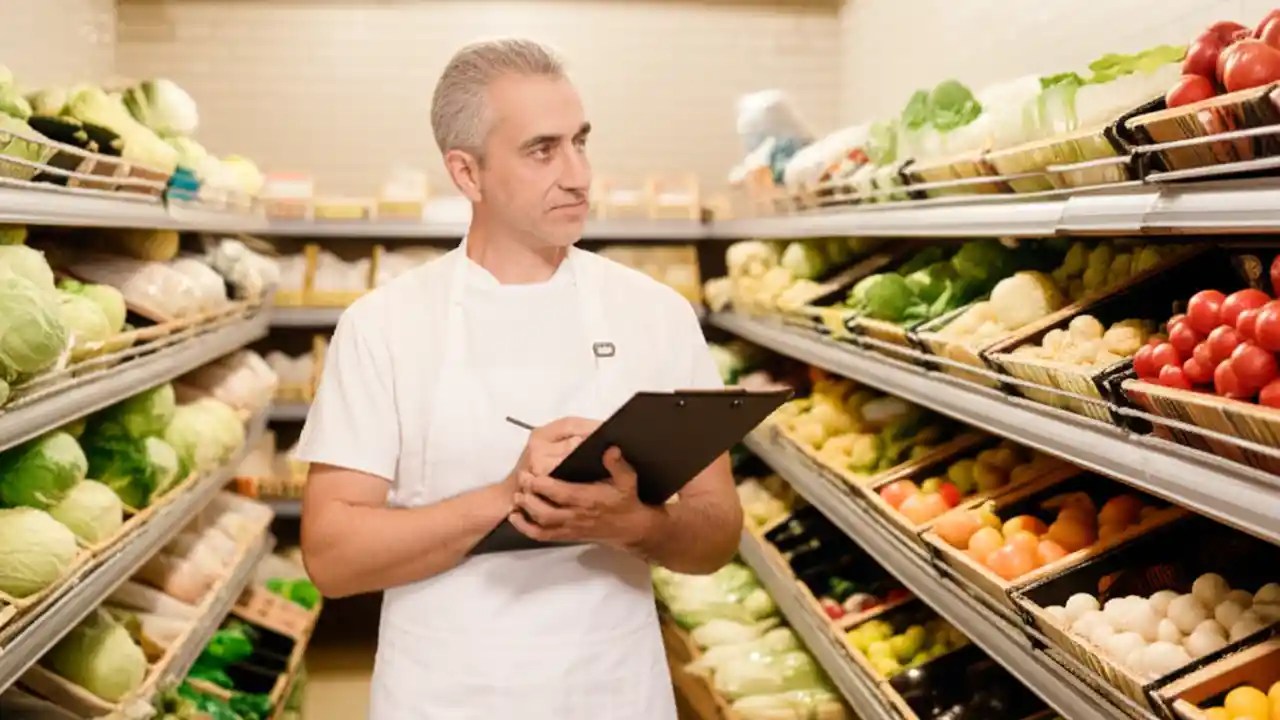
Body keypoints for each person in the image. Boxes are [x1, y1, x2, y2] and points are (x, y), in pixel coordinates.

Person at [294, 38, 743, 720]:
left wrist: (639, 525)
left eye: (581, 142)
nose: (578, 174)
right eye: (543, 150)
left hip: (613, 690)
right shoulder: (383, 325)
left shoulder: (657, 315)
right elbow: (331, 556)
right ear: (466, 173)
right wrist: (508, 497)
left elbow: (718, 532)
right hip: (442, 694)